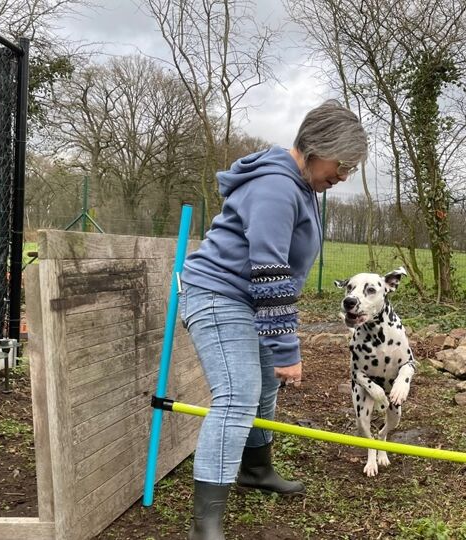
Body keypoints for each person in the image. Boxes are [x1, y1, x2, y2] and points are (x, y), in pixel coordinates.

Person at [178, 99, 368, 540]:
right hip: (219, 295)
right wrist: (287, 349)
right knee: (238, 395)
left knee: (264, 386)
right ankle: (204, 525)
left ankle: (255, 471)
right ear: (318, 147)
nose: (341, 177)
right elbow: (268, 270)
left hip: (247, 298)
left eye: (349, 170)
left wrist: (277, 347)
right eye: (341, 166)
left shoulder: (300, 185)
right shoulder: (277, 187)